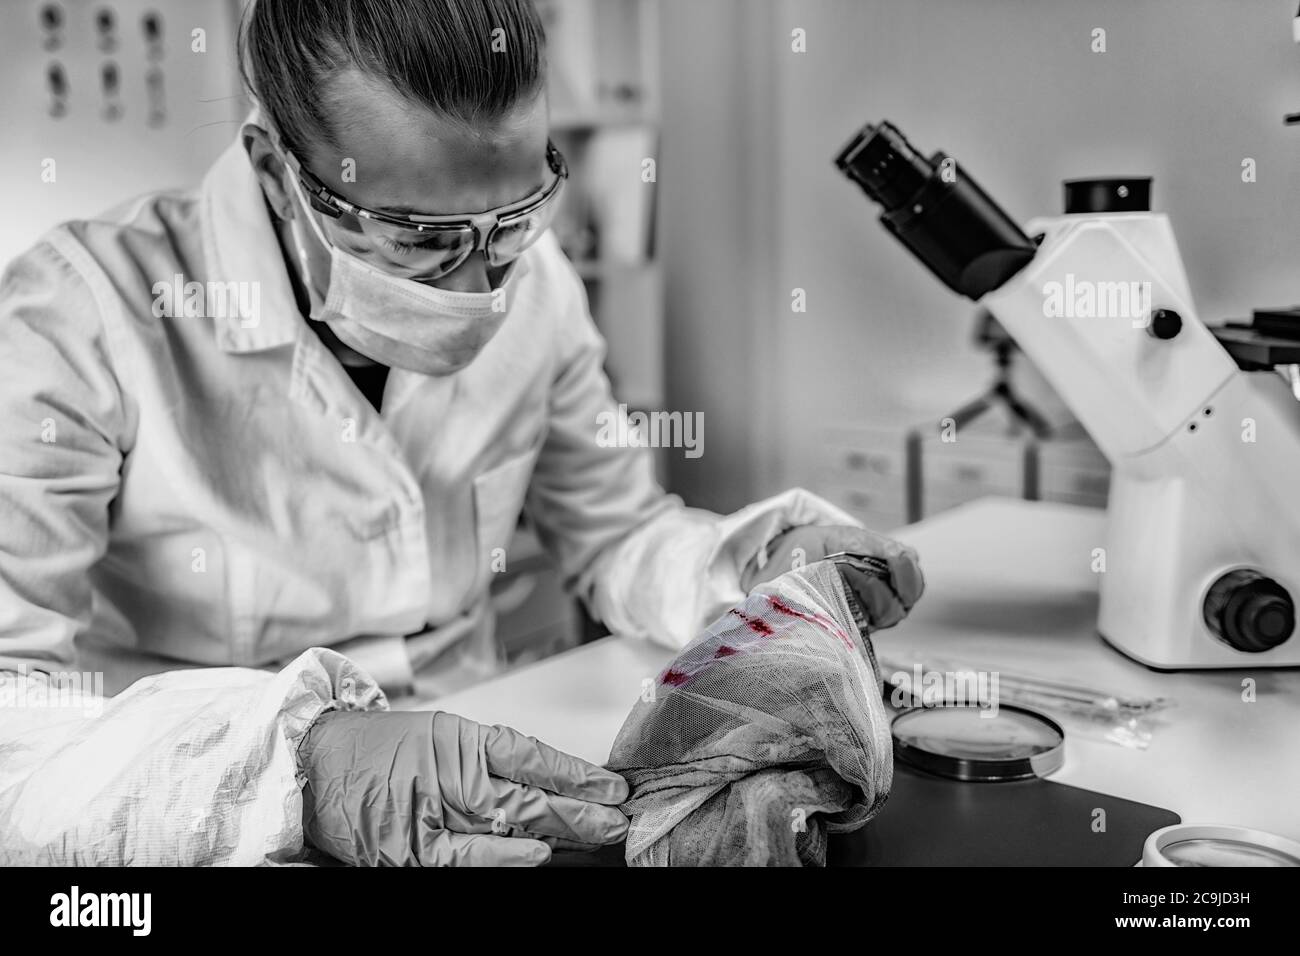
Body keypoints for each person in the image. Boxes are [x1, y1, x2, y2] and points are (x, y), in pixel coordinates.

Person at [0, 0, 923, 866]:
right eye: (414, 237)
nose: (482, 286)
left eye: (514, 218)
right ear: (282, 174)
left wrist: (754, 574)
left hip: (492, 751)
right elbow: (14, 712)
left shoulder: (542, 282)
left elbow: (614, 537)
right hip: (198, 814)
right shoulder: (82, 315)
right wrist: (294, 770)